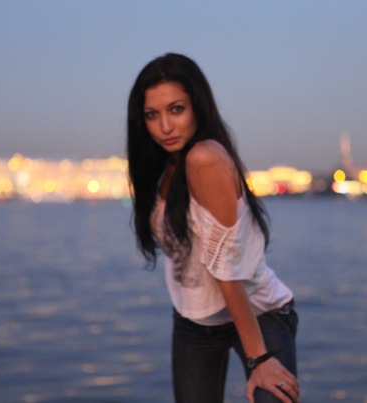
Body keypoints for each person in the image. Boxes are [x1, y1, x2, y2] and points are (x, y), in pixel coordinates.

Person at [126, 53, 300, 403]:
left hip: (257, 315)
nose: (165, 126)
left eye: (176, 109)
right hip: (194, 322)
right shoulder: (165, 168)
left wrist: (259, 358)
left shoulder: (204, 158)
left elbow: (225, 269)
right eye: (152, 115)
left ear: (198, 106)